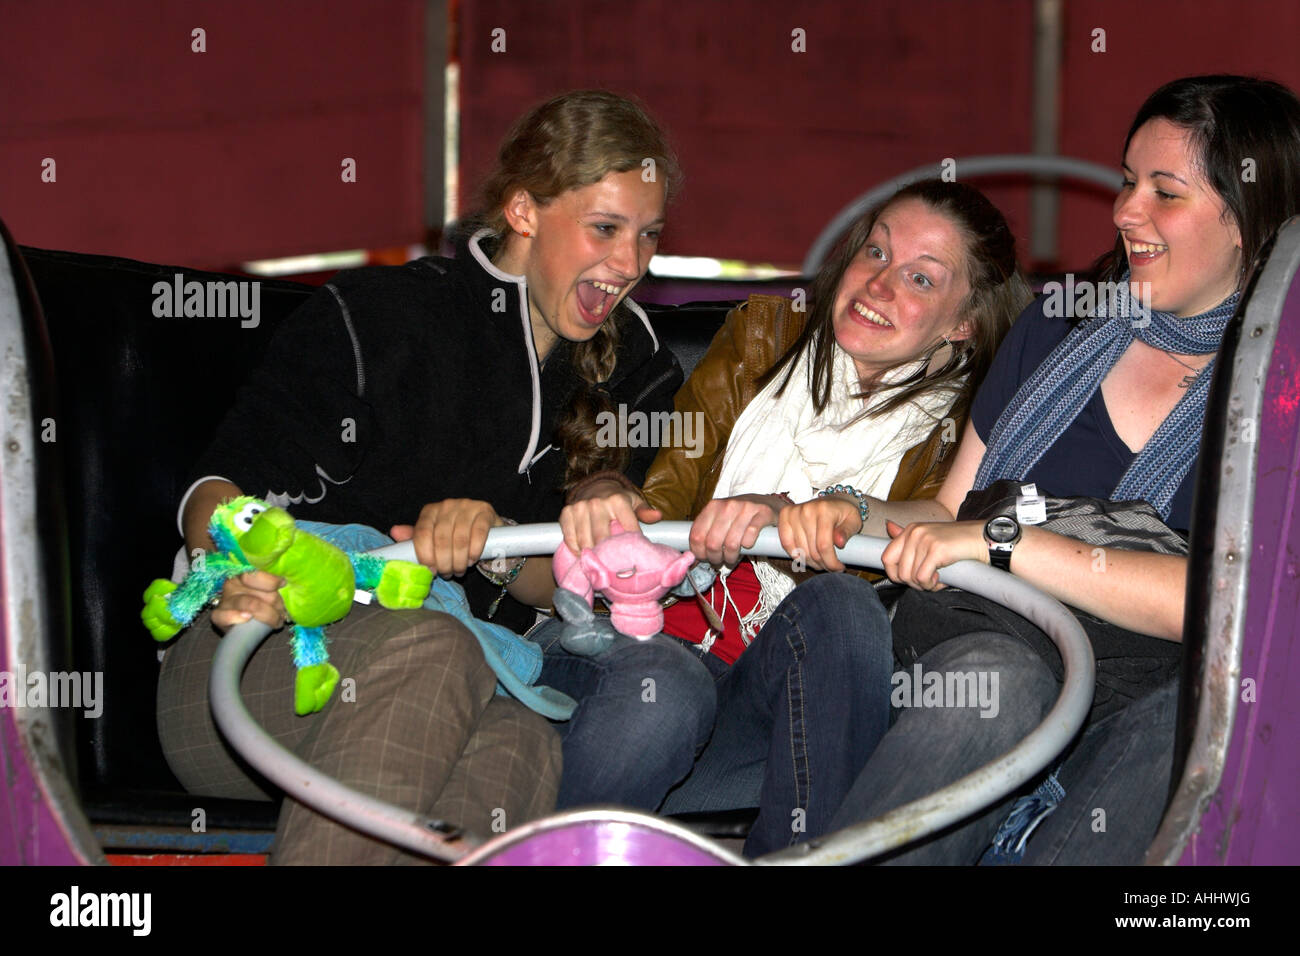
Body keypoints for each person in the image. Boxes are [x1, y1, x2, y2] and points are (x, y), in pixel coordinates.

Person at [733, 74, 1300, 862]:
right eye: (1128, 182)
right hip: (977, 645)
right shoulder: (1064, 322)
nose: (1125, 211)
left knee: (1196, 729)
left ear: (1246, 220)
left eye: (1163, 194)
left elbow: (1219, 604)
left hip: (1133, 696)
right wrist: (853, 512)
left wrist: (1006, 543)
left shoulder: (1275, 394)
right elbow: (945, 513)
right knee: (1002, 676)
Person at [154, 89, 686, 864]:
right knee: (435, 650)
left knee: (524, 745)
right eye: (606, 229)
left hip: (474, 680)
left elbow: (567, 586)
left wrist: (495, 545)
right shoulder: (382, 315)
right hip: (248, 660)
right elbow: (215, 493)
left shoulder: (637, 368)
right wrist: (247, 561)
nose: (632, 263)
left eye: (649, 236)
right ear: (524, 212)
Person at [549, 180, 1032, 832]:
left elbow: (918, 557)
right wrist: (606, 495)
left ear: (964, 320)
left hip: (764, 716)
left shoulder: (970, 436)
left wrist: (812, 514)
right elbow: (660, 505)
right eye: (875, 253)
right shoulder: (758, 341)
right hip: (636, 655)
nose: (880, 284)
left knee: (842, 605)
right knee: (669, 688)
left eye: (921, 279)